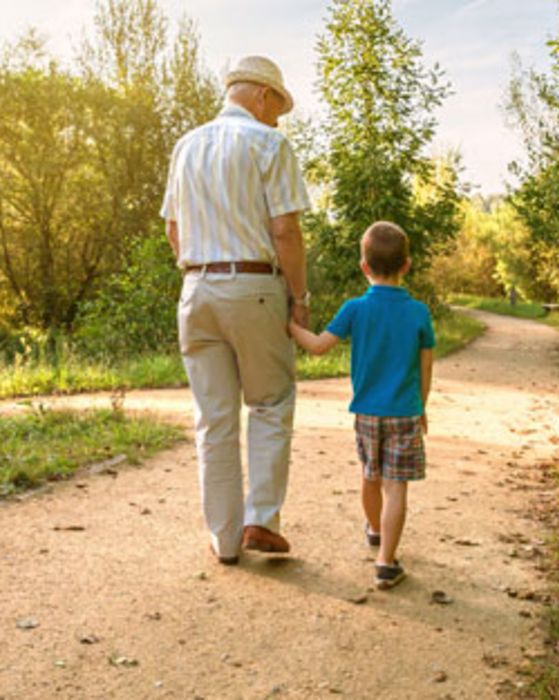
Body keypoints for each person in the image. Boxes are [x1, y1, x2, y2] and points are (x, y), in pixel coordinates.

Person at [161, 55, 312, 565]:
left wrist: (198, 270)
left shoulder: (185, 146)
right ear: (263, 97)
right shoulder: (269, 144)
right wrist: (300, 297)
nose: (278, 119)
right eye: (278, 107)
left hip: (195, 288)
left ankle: (224, 540)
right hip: (254, 287)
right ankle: (261, 521)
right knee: (269, 403)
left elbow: (172, 230)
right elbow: (285, 229)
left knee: (214, 418)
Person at [287, 221, 434, 589]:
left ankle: (374, 529)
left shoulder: (355, 309)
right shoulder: (419, 313)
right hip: (404, 412)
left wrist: (289, 326)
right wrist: (422, 407)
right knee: (396, 485)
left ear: (364, 266)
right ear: (407, 265)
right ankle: (386, 562)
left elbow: (319, 345)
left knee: (371, 475)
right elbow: (425, 366)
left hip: (366, 412)